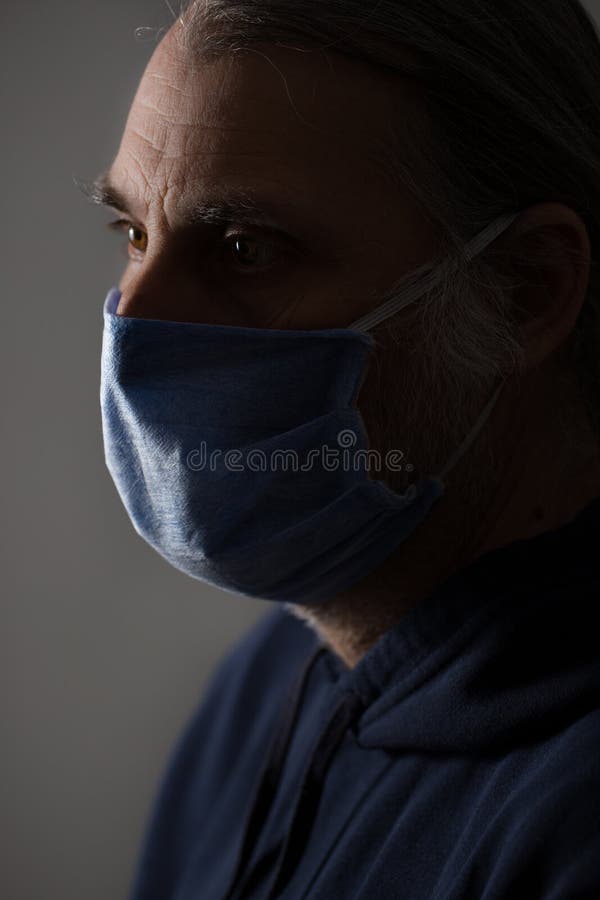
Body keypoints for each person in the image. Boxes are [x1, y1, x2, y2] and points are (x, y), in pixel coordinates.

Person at [84, 1, 600, 897]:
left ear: (527, 289)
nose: (136, 326)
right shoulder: (265, 688)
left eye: (244, 248)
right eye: (133, 234)